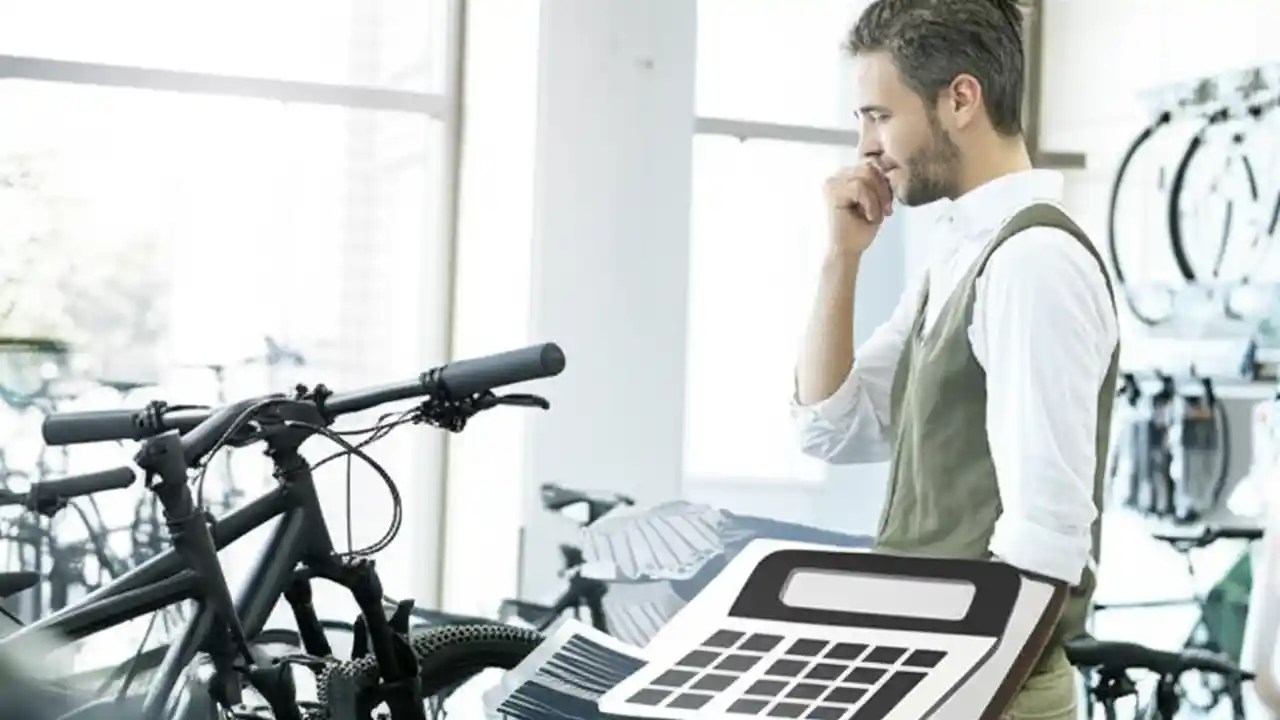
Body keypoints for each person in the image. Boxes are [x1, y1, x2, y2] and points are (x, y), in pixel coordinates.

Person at [791, 1, 1120, 718]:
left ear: (961, 98)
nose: (865, 145)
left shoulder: (1033, 263)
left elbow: (1047, 533)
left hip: (986, 691)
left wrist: (959, 696)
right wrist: (838, 261)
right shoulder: (959, 251)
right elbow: (832, 428)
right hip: (932, 676)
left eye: (878, 115)